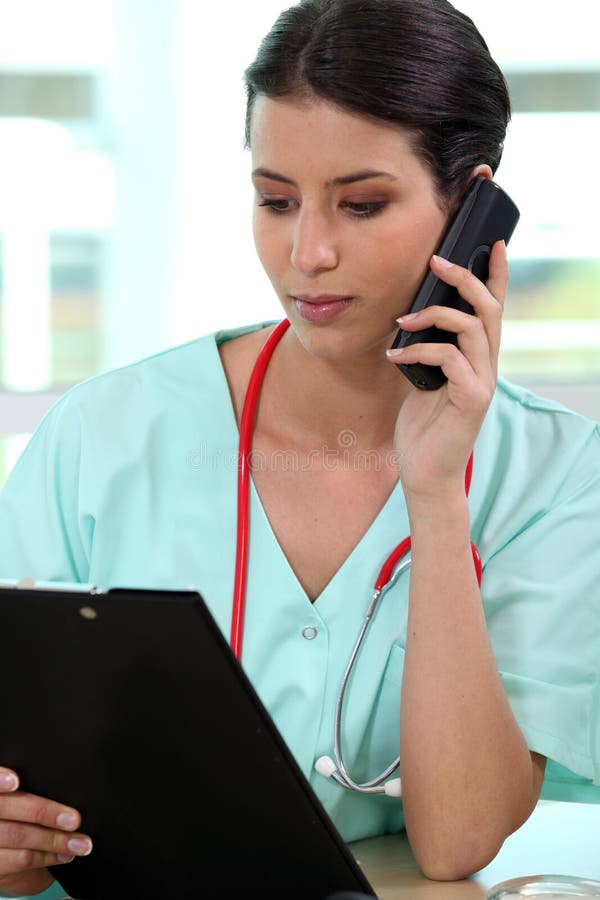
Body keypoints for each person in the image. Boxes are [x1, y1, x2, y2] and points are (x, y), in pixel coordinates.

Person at [0, 0, 599, 895]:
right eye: (274, 200)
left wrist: (434, 495)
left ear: (473, 210)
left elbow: (459, 838)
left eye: (362, 204)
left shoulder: (556, 475)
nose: (306, 252)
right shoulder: (102, 436)